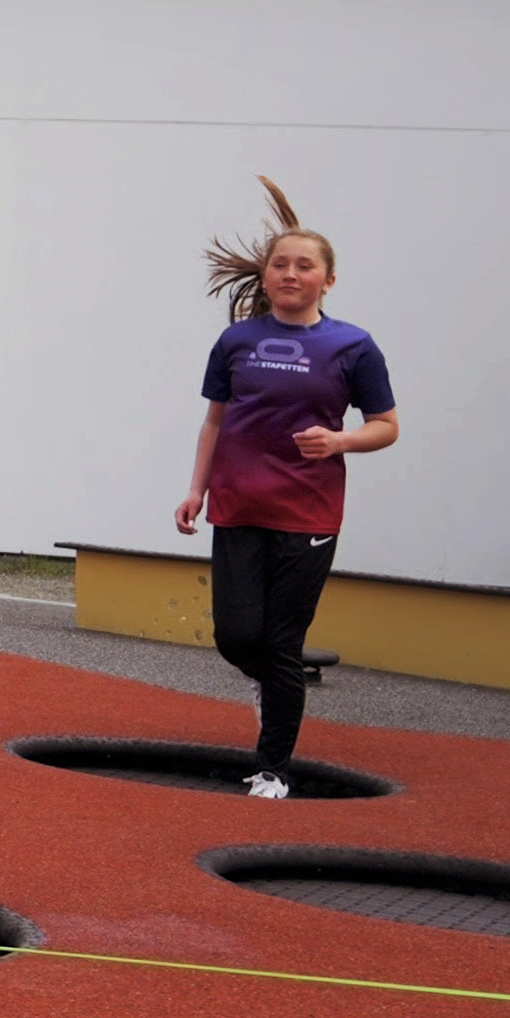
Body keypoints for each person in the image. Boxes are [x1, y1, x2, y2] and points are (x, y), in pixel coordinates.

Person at [171, 178, 399, 796]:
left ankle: (272, 769)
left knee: (282, 642)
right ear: (266, 276)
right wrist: (196, 490)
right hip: (239, 505)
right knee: (237, 636)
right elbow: (215, 421)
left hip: (310, 514)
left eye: (305, 265)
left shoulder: (353, 346)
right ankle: (271, 685)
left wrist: (340, 441)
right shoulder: (236, 341)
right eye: (281, 264)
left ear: (328, 279)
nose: (290, 273)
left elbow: (387, 427)